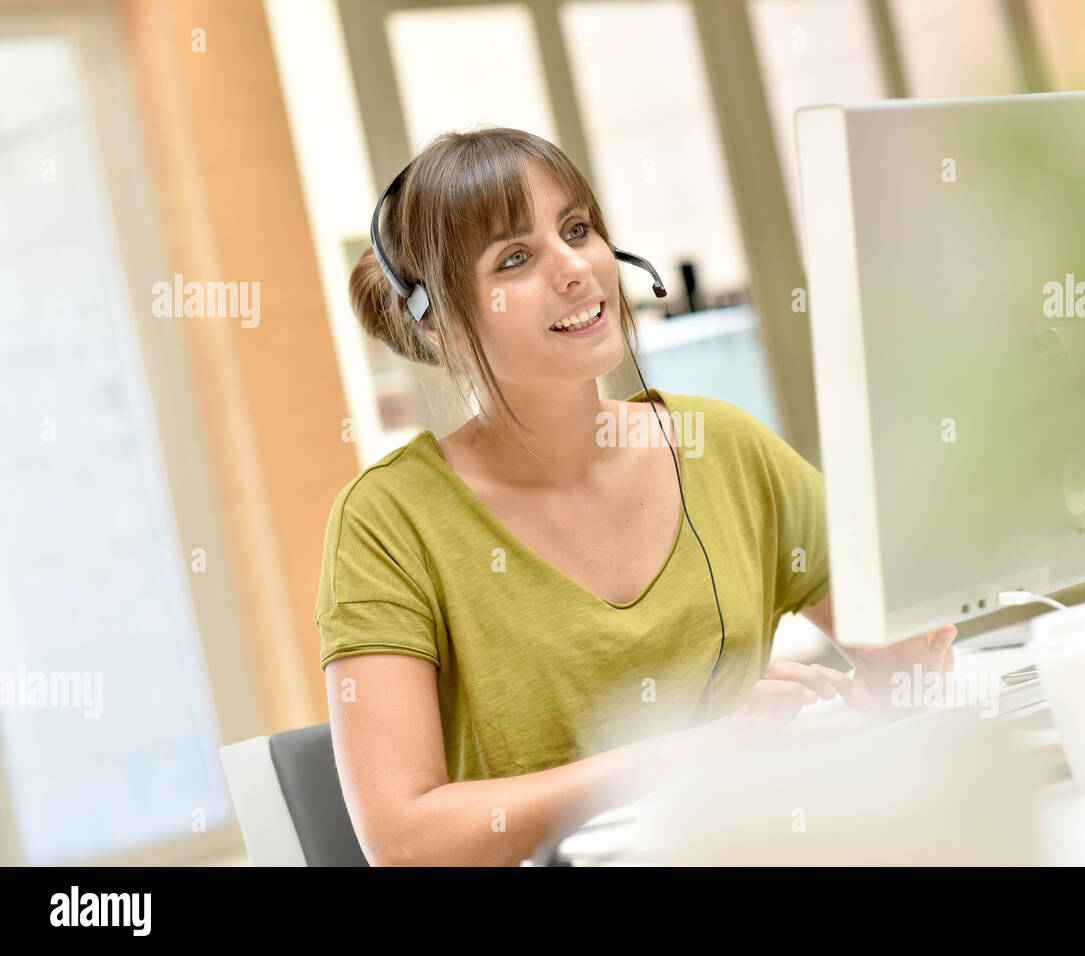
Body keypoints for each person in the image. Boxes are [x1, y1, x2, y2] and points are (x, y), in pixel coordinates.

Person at [316, 127, 956, 866]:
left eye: (578, 229)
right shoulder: (386, 524)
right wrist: (678, 758)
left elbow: (891, 658)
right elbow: (405, 839)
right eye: (515, 258)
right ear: (445, 324)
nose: (576, 269)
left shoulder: (718, 446)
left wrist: (904, 672)